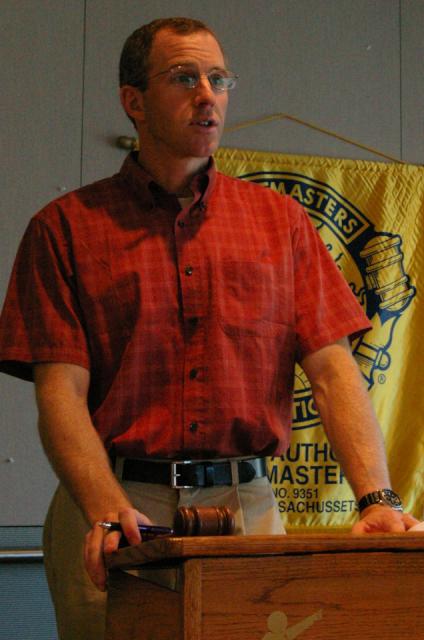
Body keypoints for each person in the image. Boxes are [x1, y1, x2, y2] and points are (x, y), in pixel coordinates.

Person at [0, 16, 417, 640]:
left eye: (219, 80)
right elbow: (60, 393)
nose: (207, 95)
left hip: (246, 508)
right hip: (113, 506)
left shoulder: (283, 224)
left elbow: (334, 373)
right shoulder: (65, 228)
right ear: (133, 101)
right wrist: (106, 508)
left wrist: (377, 499)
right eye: (184, 78)